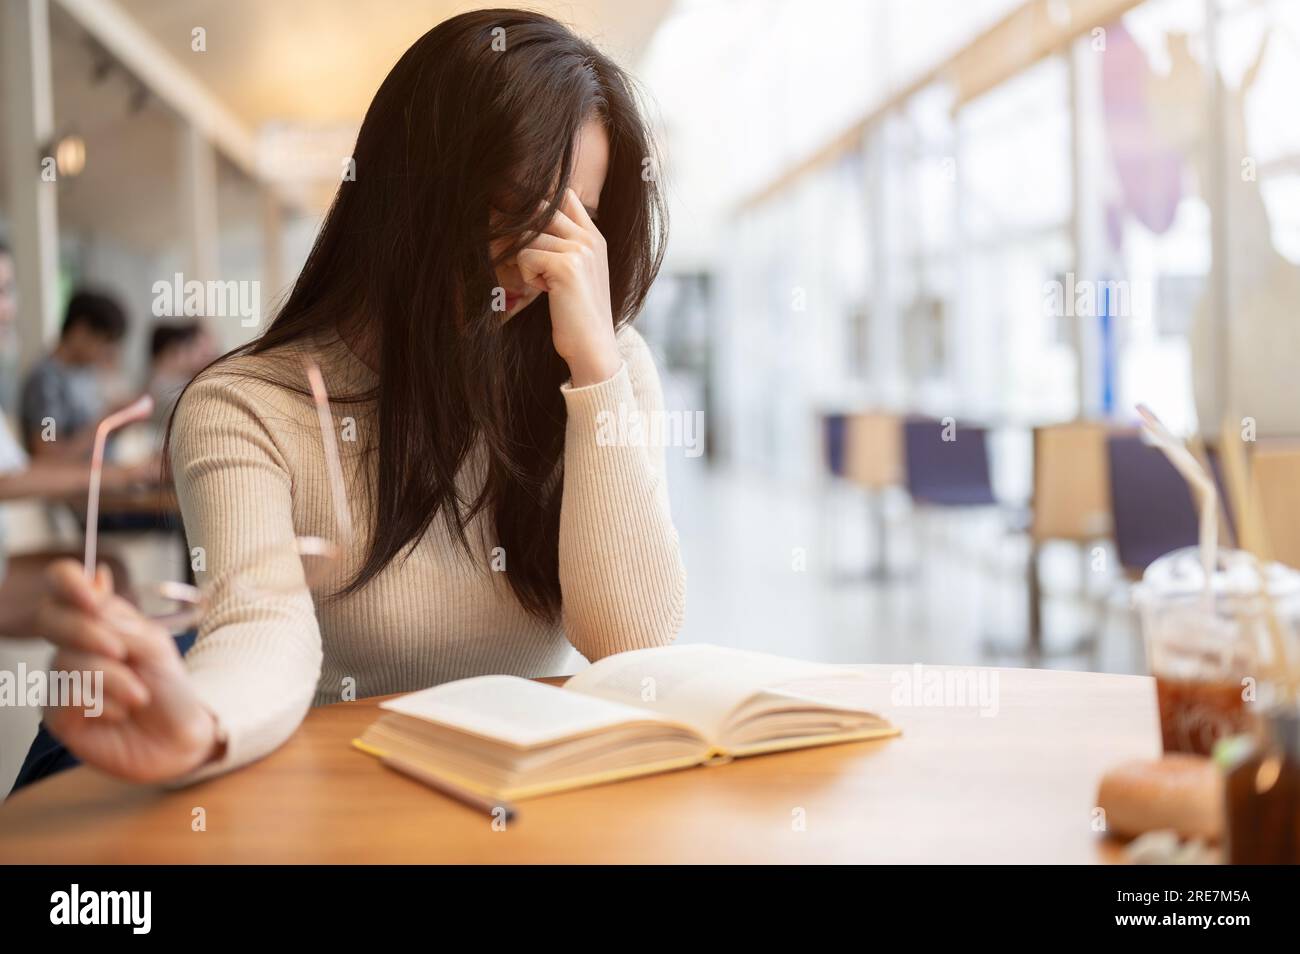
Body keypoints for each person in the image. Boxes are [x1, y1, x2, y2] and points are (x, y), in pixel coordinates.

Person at [23, 9, 686, 787]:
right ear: (407, 190)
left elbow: (633, 643)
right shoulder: (246, 408)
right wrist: (200, 726)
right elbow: (262, 627)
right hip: (344, 803)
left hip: (529, 800)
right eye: (509, 207)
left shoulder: (603, 370)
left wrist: (595, 371)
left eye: (574, 225)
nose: (534, 262)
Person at [20, 289, 129, 462]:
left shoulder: (84, 373)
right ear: (80, 331)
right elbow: (47, 454)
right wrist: (104, 426)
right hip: (74, 485)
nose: (105, 352)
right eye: (103, 342)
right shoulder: (46, 382)